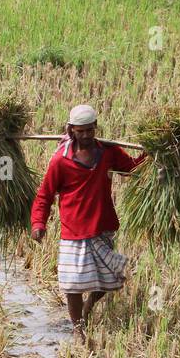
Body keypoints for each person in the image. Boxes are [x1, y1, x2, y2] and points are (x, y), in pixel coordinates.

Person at [30, 104, 146, 342]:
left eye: (89, 130)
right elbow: (45, 194)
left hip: (102, 226)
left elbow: (131, 168)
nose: (85, 136)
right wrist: (38, 223)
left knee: (110, 277)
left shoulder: (107, 152)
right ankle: (78, 327)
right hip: (73, 230)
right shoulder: (60, 161)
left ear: (95, 127)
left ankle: (89, 306)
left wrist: (151, 153)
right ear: (70, 130)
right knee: (72, 285)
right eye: (79, 131)